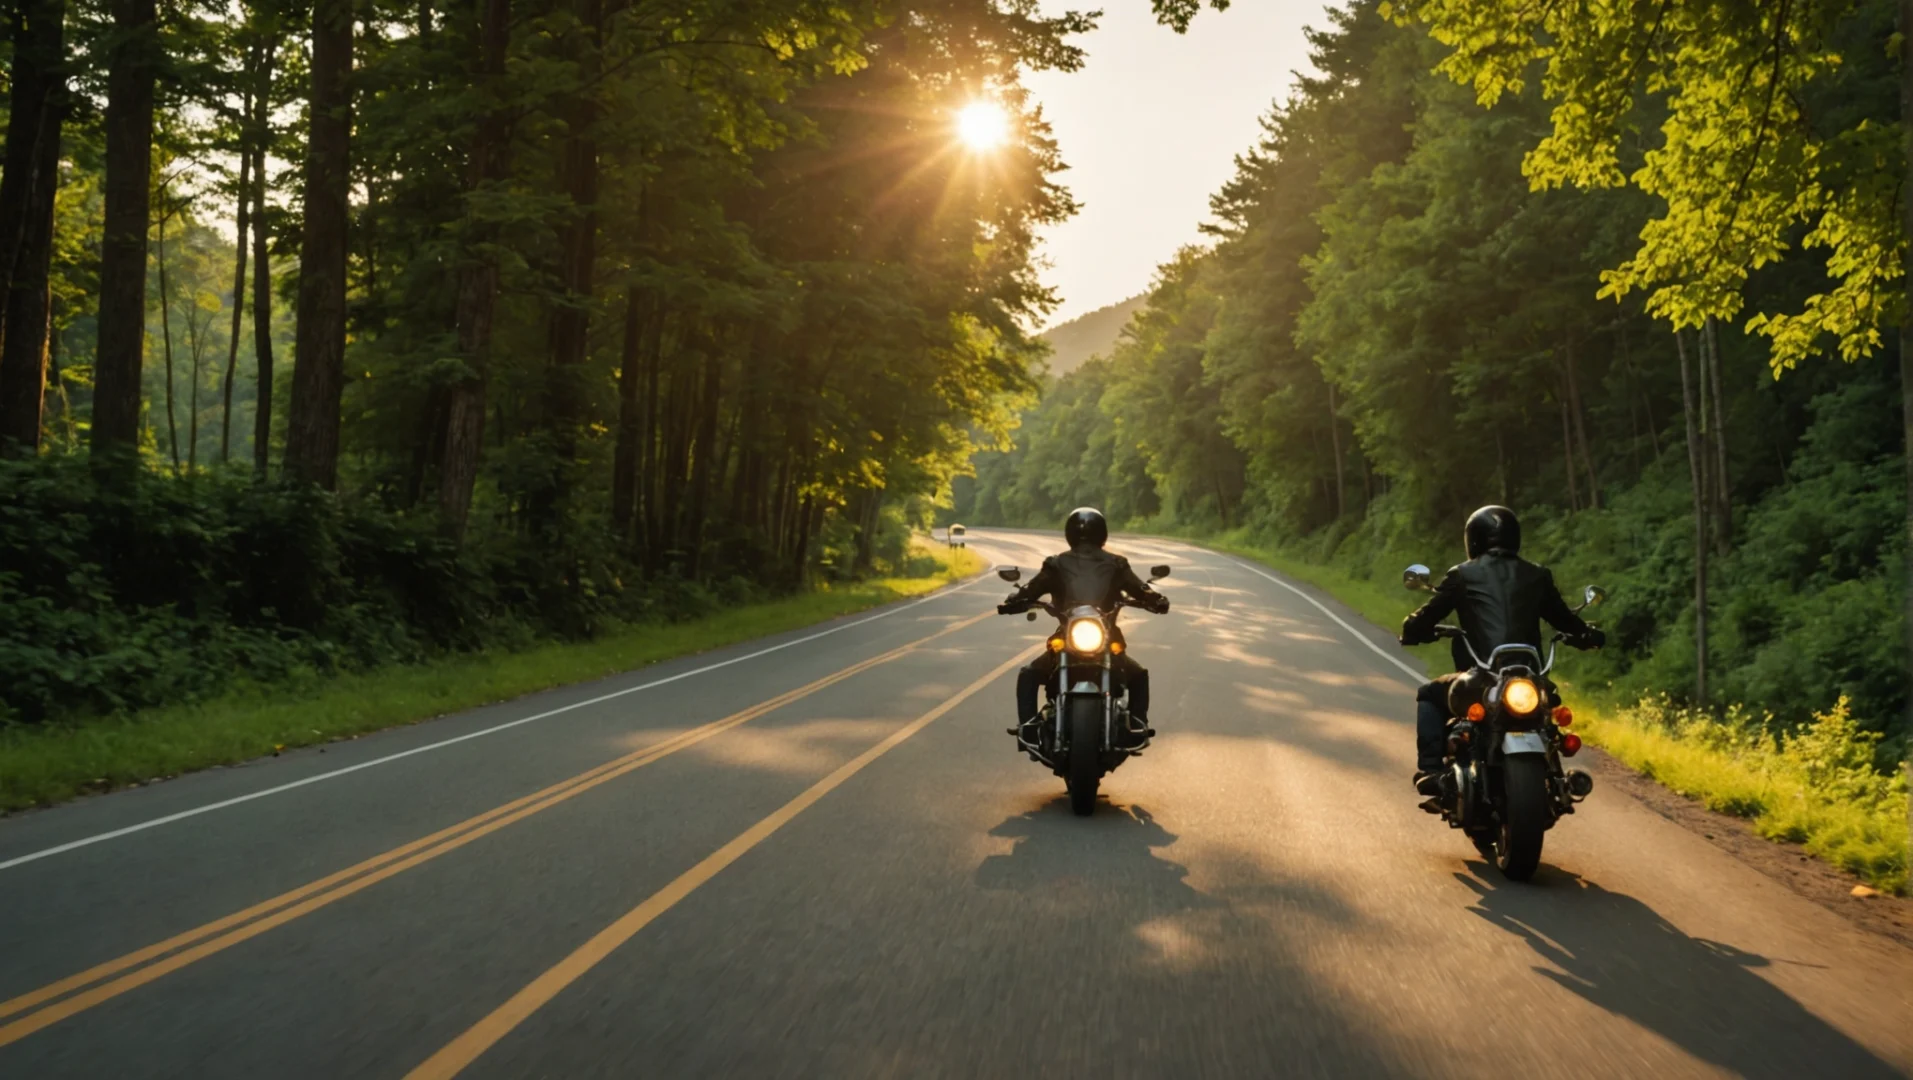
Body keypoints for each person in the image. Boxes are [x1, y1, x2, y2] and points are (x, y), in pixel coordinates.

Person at [1399, 505, 1604, 798]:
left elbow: (1427, 616)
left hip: (1482, 677)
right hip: (1531, 678)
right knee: (1549, 705)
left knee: (1429, 695)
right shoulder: (1537, 575)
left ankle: (1432, 771)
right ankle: (1556, 780)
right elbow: (1564, 619)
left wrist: (1412, 629)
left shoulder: (1462, 575)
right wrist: (1586, 634)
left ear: (1473, 539)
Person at [999, 507, 1170, 742]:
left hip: (1106, 639)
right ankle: (1028, 728)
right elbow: (1032, 588)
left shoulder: (1111, 565)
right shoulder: (1057, 565)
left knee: (1138, 675)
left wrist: (1155, 599)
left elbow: (1139, 587)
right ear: (1103, 534)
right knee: (1029, 674)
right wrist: (1015, 600)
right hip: (1069, 638)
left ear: (1069, 533)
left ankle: (1137, 727)